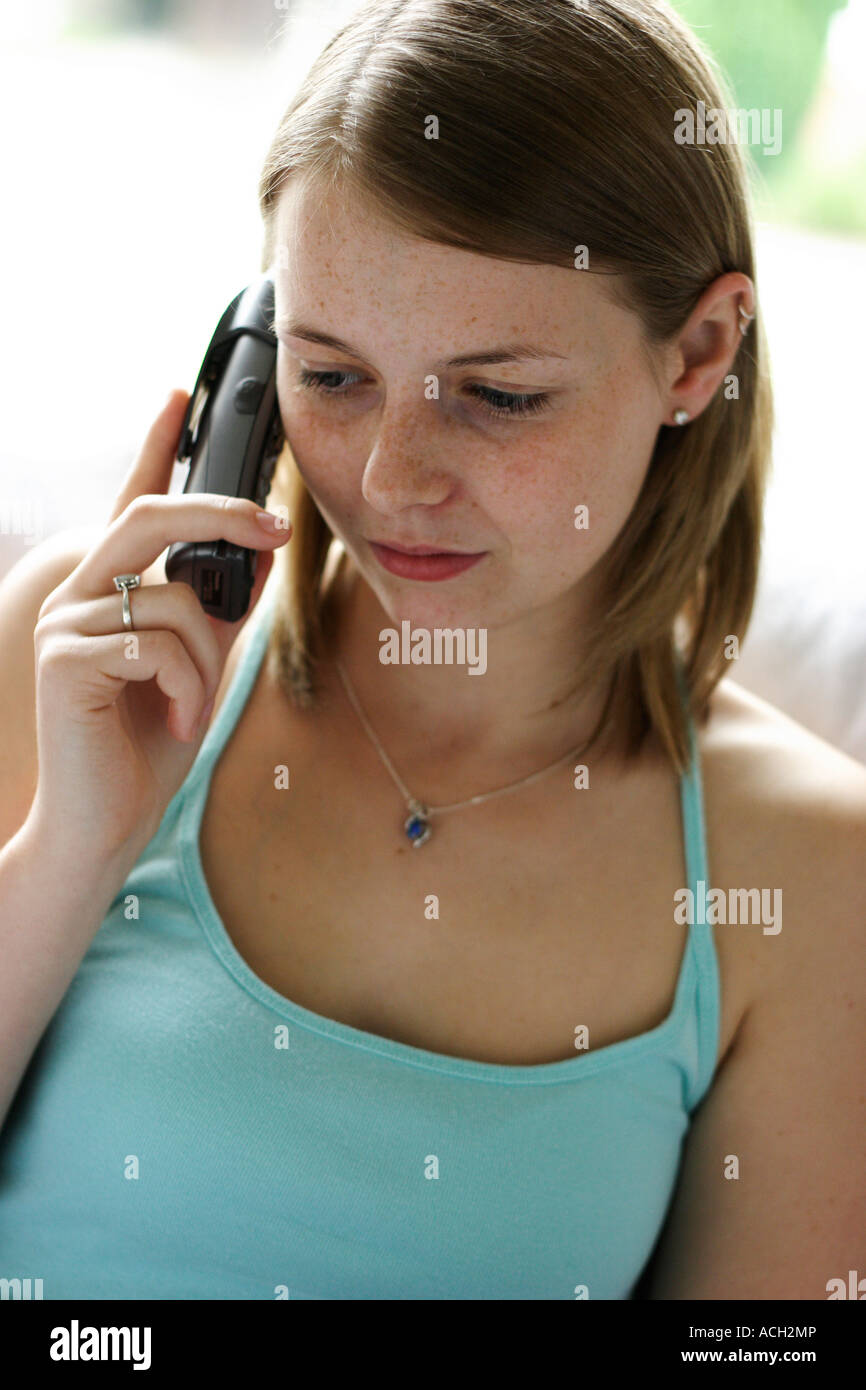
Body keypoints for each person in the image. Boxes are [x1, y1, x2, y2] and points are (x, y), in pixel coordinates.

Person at [0, 0, 863, 1301]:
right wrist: (71, 848)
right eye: (331, 375)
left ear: (697, 352)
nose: (393, 477)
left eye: (497, 392)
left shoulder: (809, 871)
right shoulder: (88, 656)